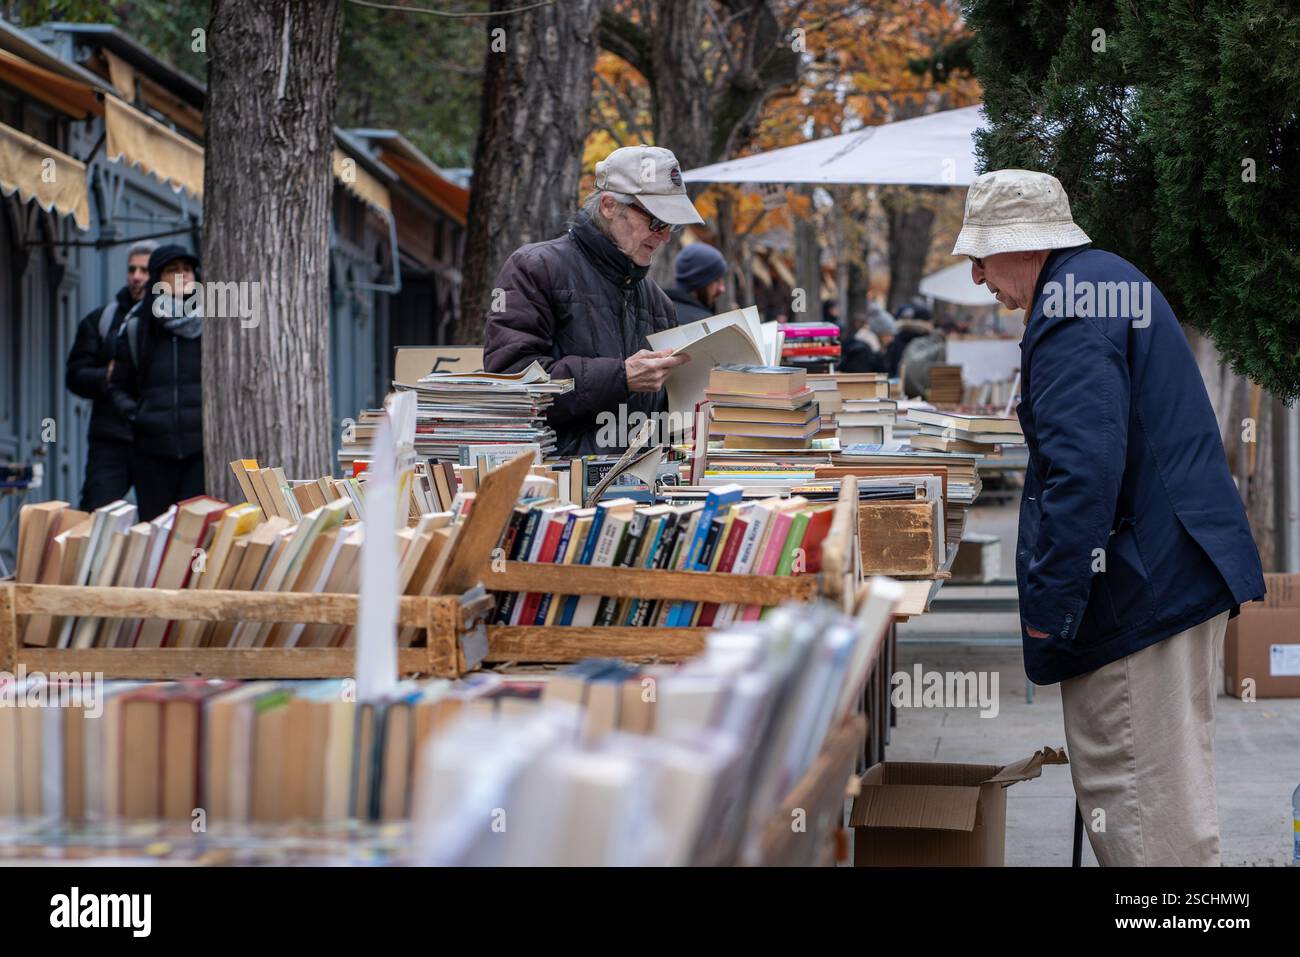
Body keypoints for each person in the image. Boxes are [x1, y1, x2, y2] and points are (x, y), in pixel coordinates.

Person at [954, 168, 1265, 866]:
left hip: (1142, 591)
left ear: (1026, 245)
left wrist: (1050, 614)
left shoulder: (1069, 308)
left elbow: (1082, 477)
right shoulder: (1099, 281)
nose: (977, 276)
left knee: (1145, 818)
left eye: (983, 255)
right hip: (1168, 571)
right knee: (1165, 804)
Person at [483, 145, 703, 455]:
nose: (665, 236)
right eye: (656, 221)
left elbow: (662, 418)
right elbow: (511, 384)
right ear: (610, 206)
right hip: (557, 484)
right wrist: (620, 377)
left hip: (641, 488)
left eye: (672, 225)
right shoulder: (535, 267)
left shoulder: (658, 302)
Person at [108, 244, 205, 521]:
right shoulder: (138, 326)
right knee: (155, 535)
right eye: (172, 270)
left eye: (186, 270)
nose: (182, 276)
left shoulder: (210, 325)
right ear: (157, 280)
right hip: (151, 451)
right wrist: (138, 416)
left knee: (195, 537)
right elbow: (117, 385)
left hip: (199, 452)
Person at [65, 240, 156, 510]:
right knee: (98, 516)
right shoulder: (101, 320)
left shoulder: (173, 322)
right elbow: (74, 375)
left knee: (161, 522)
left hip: (156, 439)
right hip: (111, 439)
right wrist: (106, 375)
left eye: (144, 270)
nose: (137, 276)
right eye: (132, 269)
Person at [665, 242, 727, 324]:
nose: (722, 288)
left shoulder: (655, 310)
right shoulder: (705, 324)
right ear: (700, 281)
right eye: (716, 280)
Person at [840, 305, 894, 374]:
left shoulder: (871, 349)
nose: (891, 339)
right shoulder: (862, 352)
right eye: (888, 335)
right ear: (879, 334)